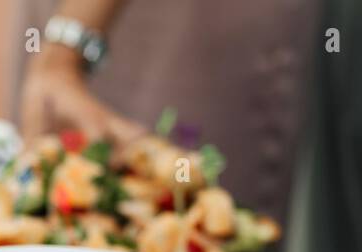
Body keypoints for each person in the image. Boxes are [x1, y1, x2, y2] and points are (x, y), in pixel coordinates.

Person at [16, 0, 319, 226]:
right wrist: (63, 49)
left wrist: (67, 46)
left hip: (194, 21)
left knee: (193, 218)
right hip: (66, 20)